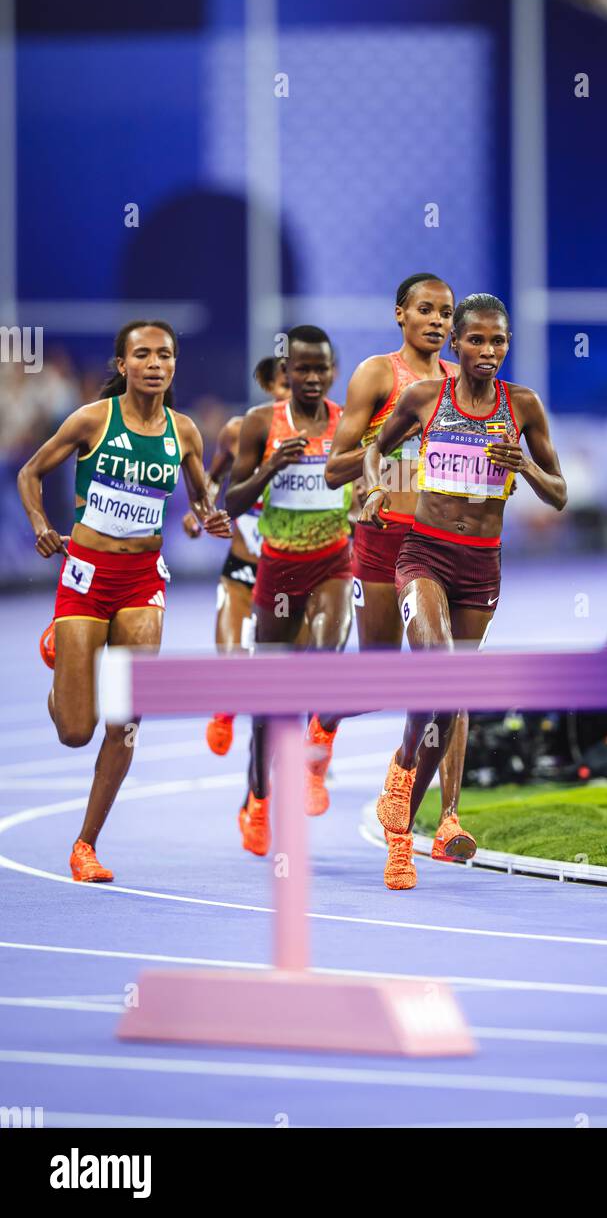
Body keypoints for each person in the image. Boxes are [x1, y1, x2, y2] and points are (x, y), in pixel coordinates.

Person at [362, 294, 566, 889]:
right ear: (456, 346)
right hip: (423, 555)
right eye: (475, 340)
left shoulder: (522, 407)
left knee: (451, 699)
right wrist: (375, 490)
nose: (487, 351)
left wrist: (524, 467)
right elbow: (375, 450)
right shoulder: (426, 397)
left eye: (498, 341)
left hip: (482, 568)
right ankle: (404, 805)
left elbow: (559, 493)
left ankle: (415, 806)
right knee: (439, 677)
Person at [17, 320, 231, 883]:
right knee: (75, 730)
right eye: (143, 354)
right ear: (122, 365)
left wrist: (207, 515)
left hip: (142, 581)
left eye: (165, 354)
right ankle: (63, 660)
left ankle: (85, 845)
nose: (155, 363)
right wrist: (41, 524)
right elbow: (30, 473)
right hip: (86, 577)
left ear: (174, 365)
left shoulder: (184, 431)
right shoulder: (93, 420)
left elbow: (201, 492)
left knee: (128, 717)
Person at [324, 273, 475, 863]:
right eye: (425, 310)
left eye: (446, 312)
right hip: (383, 544)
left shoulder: (466, 385)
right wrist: (375, 478)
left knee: (451, 677)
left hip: (442, 549)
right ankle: (326, 713)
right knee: (384, 677)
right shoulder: (378, 375)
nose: (437, 321)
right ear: (400, 315)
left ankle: (447, 819)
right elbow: (337, 465)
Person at [225, 326, 353, 854]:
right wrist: (271, 467)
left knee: (328, 656)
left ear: (332, 372)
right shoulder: (261, 424)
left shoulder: (349, 423)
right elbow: (230, 503)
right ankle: (257, 797)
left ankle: (314, 754)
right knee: (270, 700)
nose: (312, 377)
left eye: (321, 368)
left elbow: (368, 474)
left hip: (333, 562)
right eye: (302, 368)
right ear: (287, 373)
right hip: (277, 568)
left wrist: (368, 494)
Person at [181, 357, 290, 756]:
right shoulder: (236, 432)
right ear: (268, 388)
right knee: (232, 662)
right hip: (242, 570)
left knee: (289, 675)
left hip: (293, 576)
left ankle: (303, 745)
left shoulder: (326, 437)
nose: (290, 394)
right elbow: (211, 478)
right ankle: (226, 705)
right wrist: (200, 513)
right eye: (282, 386)